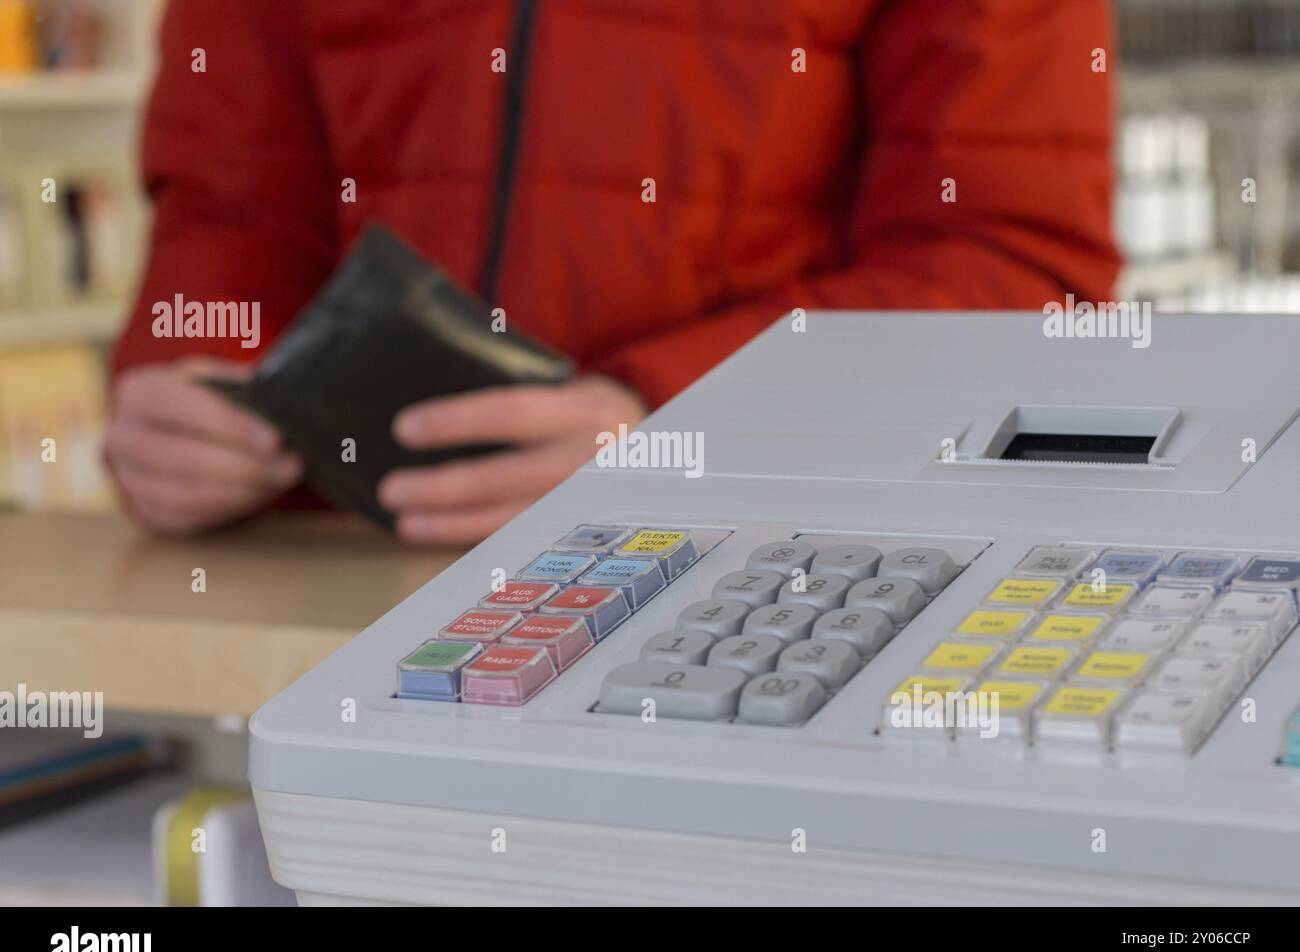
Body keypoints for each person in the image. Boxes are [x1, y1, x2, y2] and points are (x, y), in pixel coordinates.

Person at [105, 0, 1119, 545]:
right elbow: (232, 213)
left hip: (751, 594)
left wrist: (673, 421)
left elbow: (1011, 263)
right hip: (333, 602)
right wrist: (192, 382)